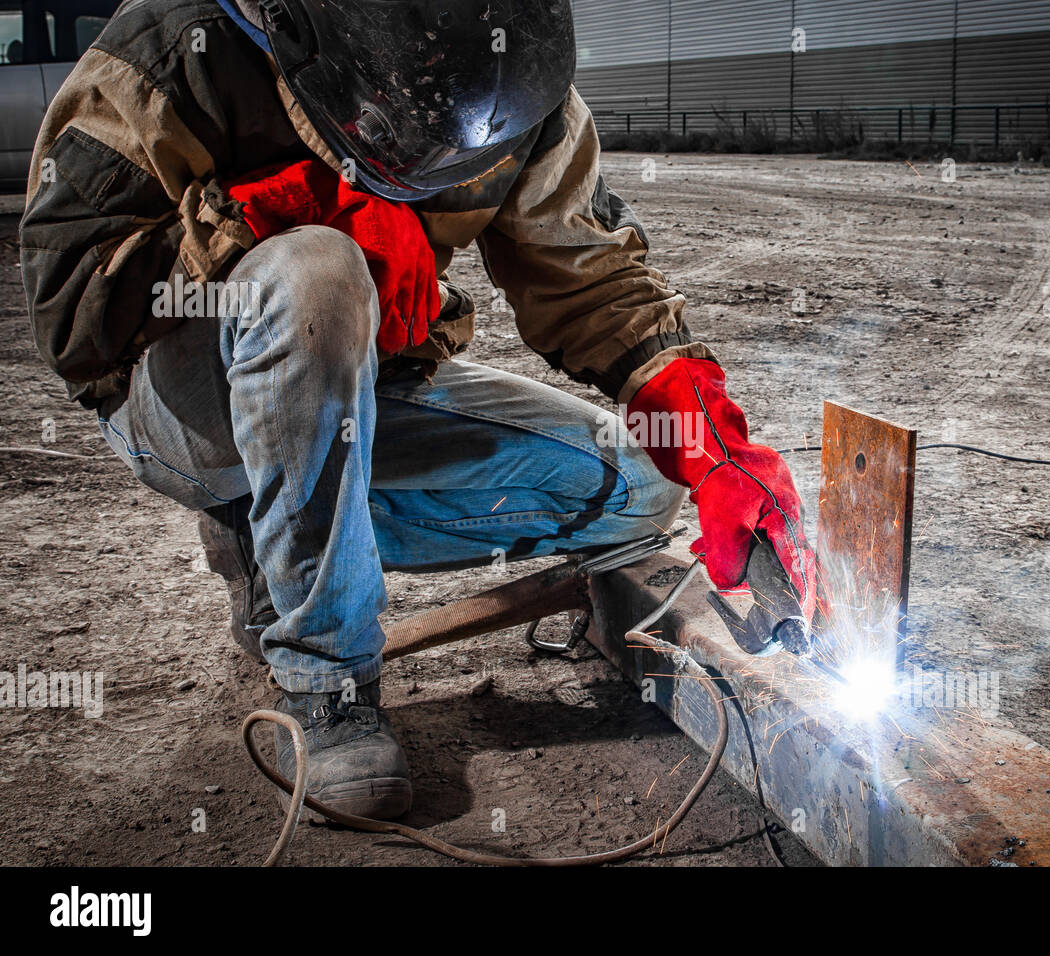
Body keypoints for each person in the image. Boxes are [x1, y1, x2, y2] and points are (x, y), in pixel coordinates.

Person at [19, 0, 814, 819]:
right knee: (316, 274)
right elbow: (74, 311)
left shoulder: (517, 86)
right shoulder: (178, 47)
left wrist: (710, 442)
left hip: (356, 394)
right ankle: (326, 680)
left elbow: (596, 283)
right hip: (185, 402)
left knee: (641, 490)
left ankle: (274, 538)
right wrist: (286, 209)